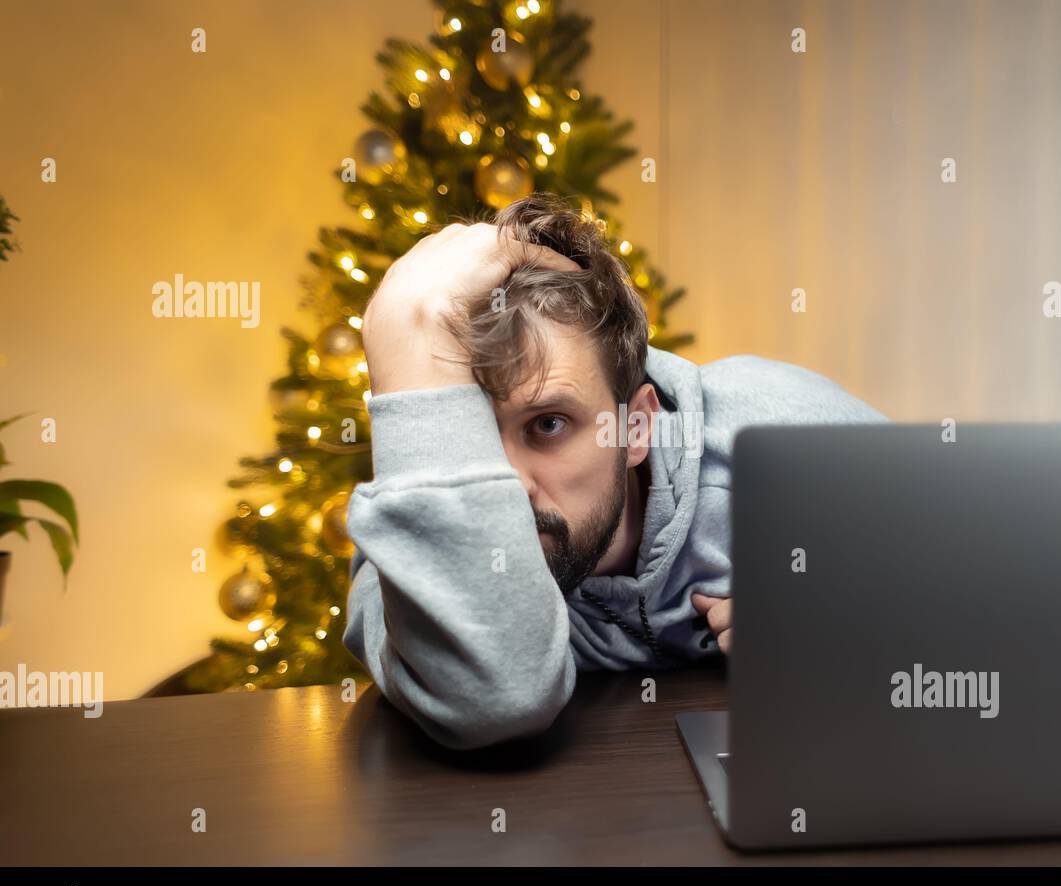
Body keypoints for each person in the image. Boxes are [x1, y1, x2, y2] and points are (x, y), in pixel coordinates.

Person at [343, 193, 888, 749]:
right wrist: (407, 322)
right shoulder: (415, 540)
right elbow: (495, 702)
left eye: (549, 424)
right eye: (472, 436)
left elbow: (970, 609)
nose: (509, 486)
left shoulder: (787, 443)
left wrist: (859, 635)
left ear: (636, 428)